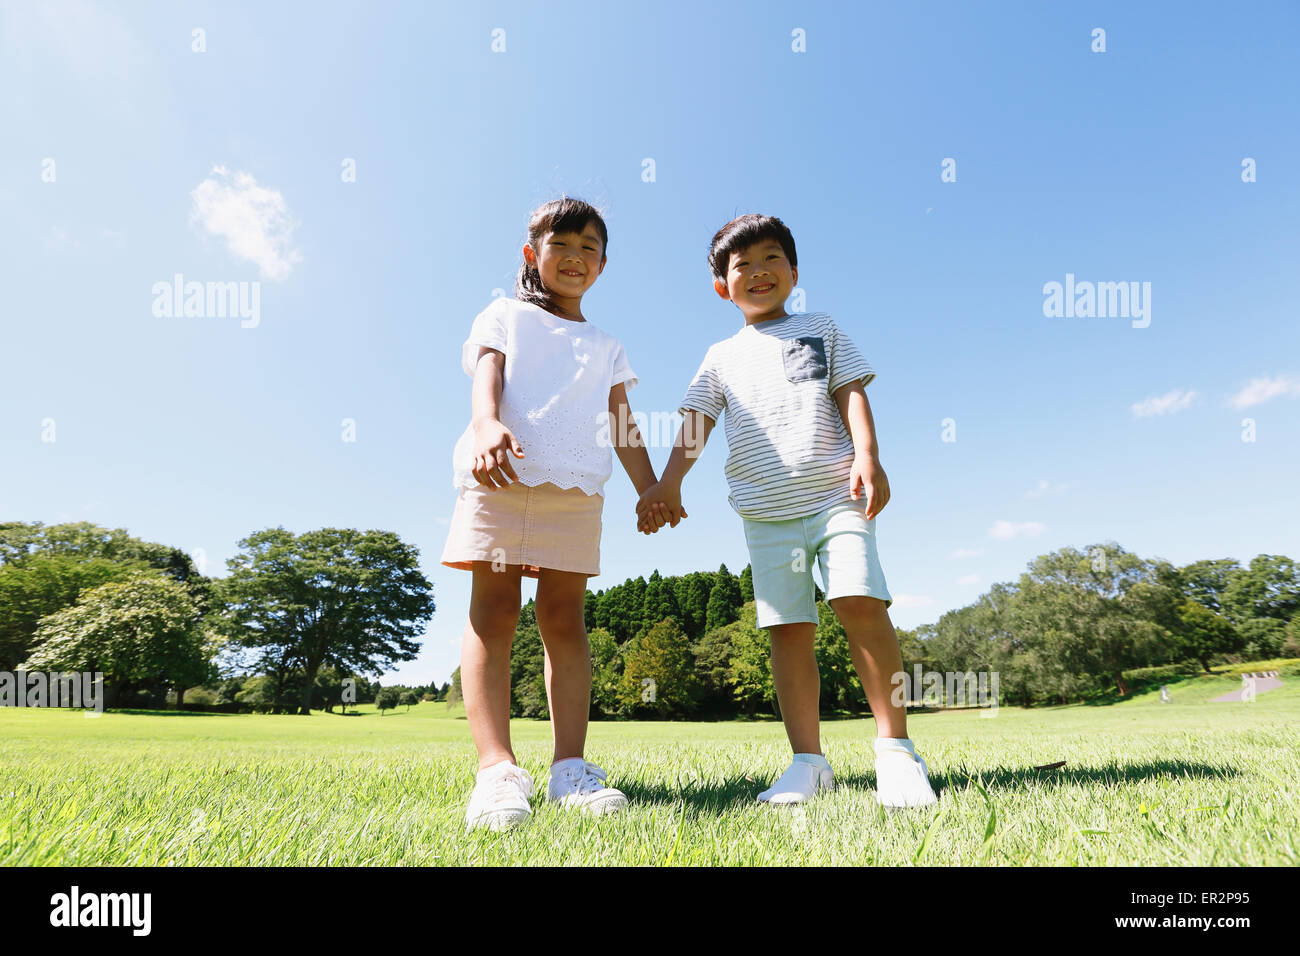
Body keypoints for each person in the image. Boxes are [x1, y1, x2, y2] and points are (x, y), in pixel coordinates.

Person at [636, 213, 937, 809]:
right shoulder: (720, 356)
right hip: (767, 516)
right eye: (741, 264)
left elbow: (851, 391)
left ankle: (896, 754)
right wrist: (667, 483)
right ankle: (808, 762)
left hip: (836, 500)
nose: (758, 271)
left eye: (772, 258)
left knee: (859, 602)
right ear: (723, 285)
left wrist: (870, 458)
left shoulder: (818, 327)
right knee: (787, 631)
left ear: (794, 272)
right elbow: (696, 422)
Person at [443, 197, 676, 830]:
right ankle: (496, 771)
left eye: (589, 248)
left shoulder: (606, 345)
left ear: (603, 265)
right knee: (493, 611)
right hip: (500, 471)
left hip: (576, 488)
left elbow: (622, 422)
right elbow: (486, 374)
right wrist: (487, 422)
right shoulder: (505, 315)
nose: (575, 258)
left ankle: (569, 768)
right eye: (561, 245)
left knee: (564, 620)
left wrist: (650, 487)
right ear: (532, 253)